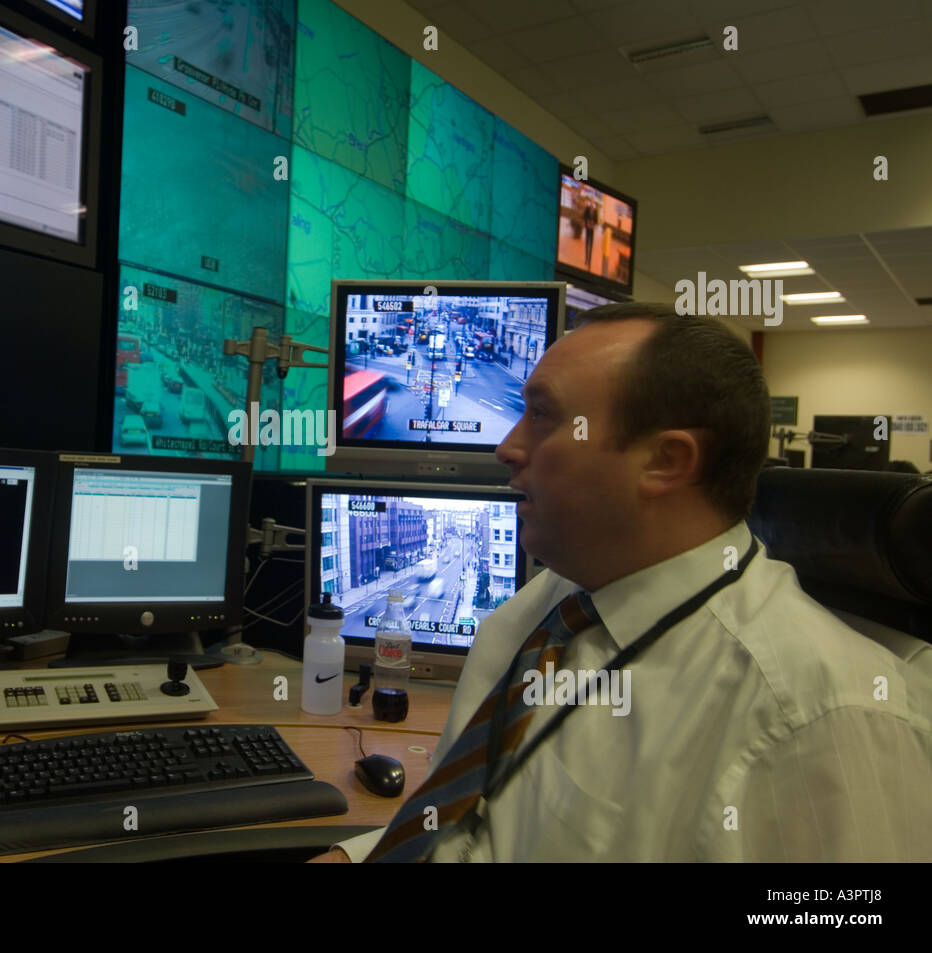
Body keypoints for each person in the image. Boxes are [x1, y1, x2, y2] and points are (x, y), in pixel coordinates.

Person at [311, 303, 932, 862]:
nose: (507, 447)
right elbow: (477, 823)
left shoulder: (820, 716)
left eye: (543, 418)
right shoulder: (561, 597)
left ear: (666, 461)